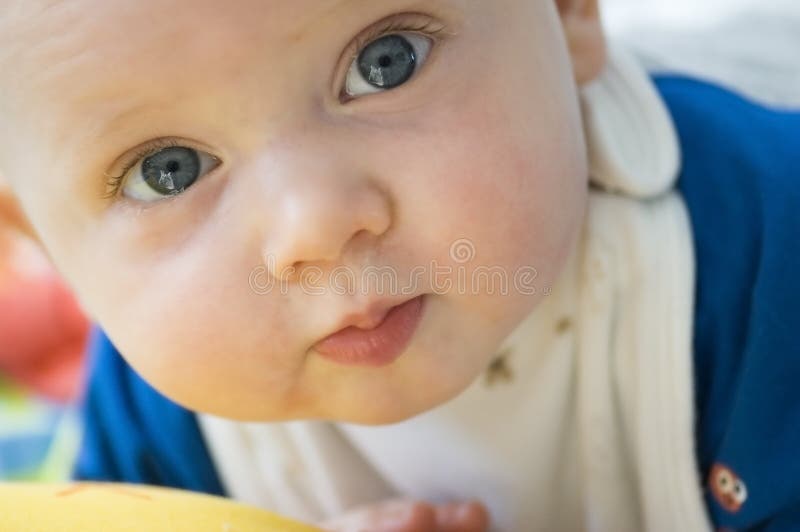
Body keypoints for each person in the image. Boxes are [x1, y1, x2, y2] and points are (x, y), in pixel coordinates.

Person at [0, 0, 797, 530]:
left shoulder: (764, 257)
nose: (312, 227)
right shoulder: (155, 416)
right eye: (166, 169)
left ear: (567, 10)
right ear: (45, 239)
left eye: (386, 61)